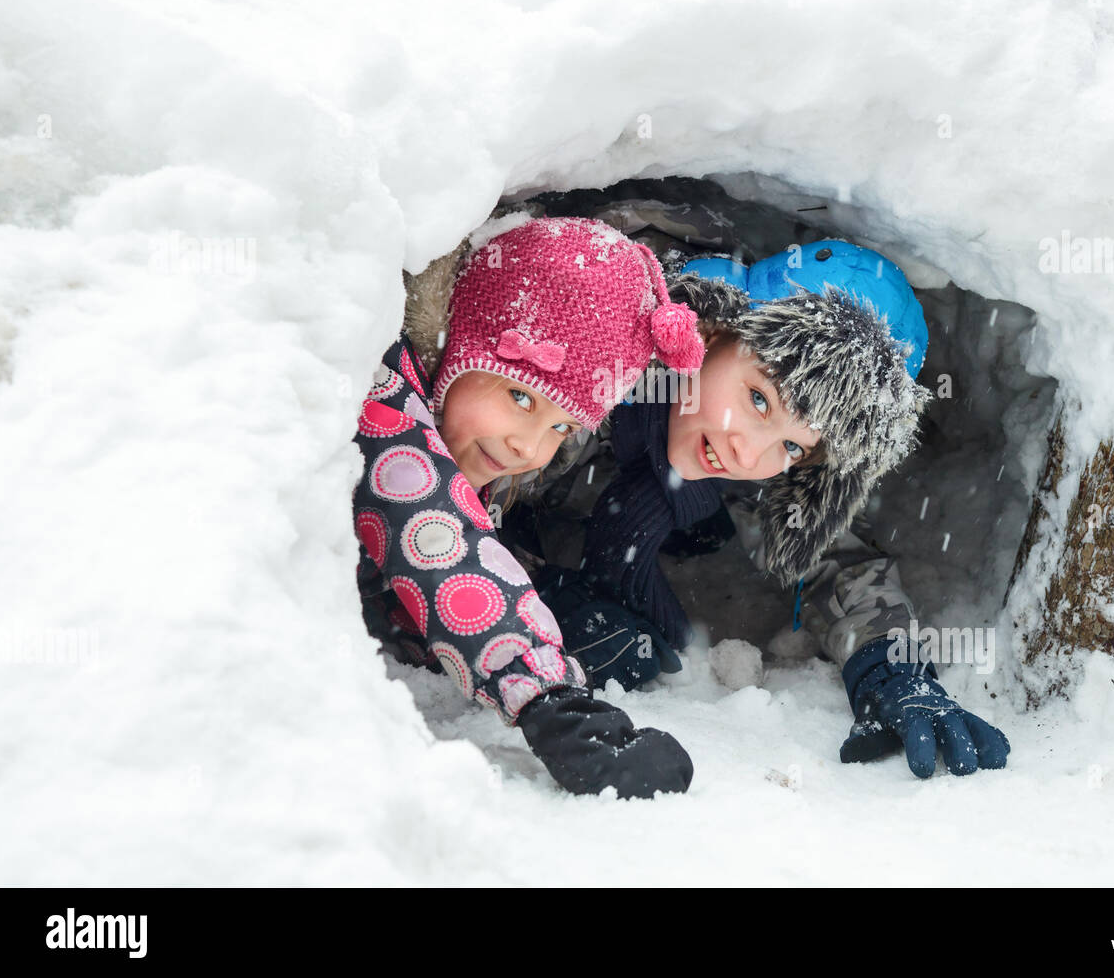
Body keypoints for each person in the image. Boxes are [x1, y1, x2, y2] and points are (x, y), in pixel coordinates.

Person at [525, 236, 1011, 780]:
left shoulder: (744, 467)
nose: (749, 452)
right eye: (759, 399)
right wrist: (532, 594)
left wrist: (889, 669)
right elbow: (452, 500)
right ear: (716, 329)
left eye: (793, 448)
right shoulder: (585, 375)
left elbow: (839, 568)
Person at [351, 215, 705, 799]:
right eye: (521, 396)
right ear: (460, 343)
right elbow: (432, 533)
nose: (530, 447)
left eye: (562, 427)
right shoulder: (381, 394)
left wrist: (553, 597)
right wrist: (556, 706)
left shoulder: (463, 427)